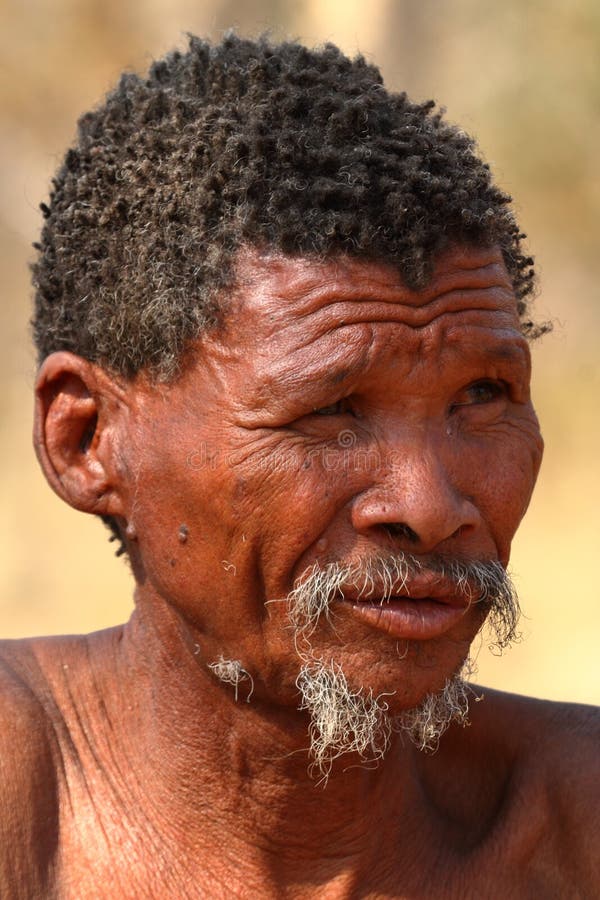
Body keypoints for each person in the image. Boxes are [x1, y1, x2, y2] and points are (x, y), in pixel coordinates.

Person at [1, 33, 597, 898]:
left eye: (483, 396)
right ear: (87, 442)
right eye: (328, 412)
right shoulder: (26, 806)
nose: (430, 507)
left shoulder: (573, 827)